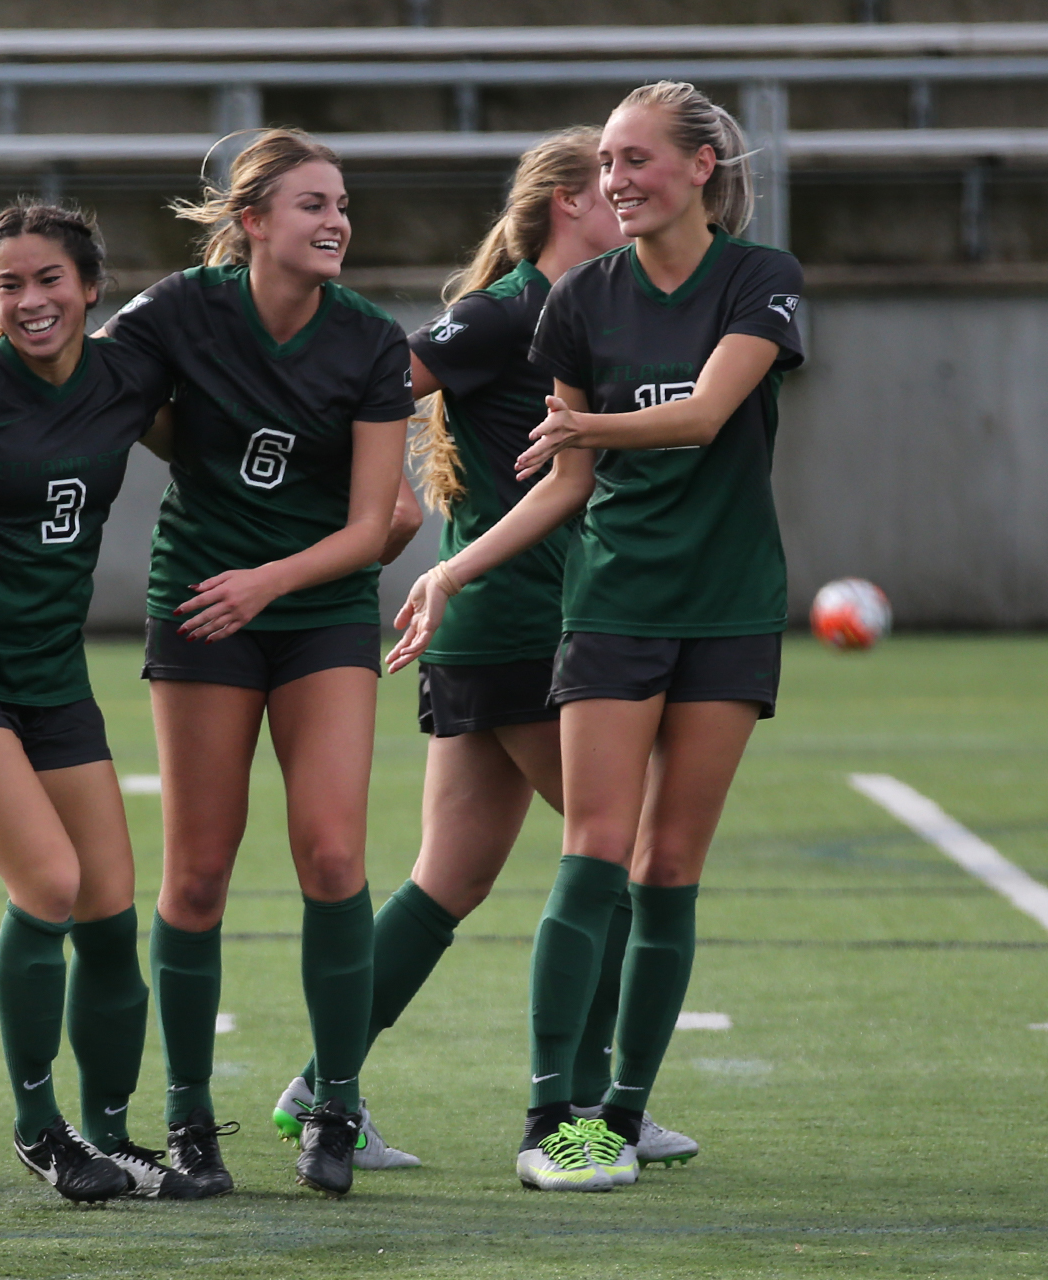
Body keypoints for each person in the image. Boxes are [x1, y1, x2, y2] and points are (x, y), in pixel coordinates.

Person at [386, 80, 804, 1192]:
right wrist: (449, 570)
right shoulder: (578, 303)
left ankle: (619, 1112)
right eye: (607, 163)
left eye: (636, 159)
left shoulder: (760, 280)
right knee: (597, 848)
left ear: (701, 167)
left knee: (672, 866)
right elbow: (565, 480)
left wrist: (590, 422)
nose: (616, 178)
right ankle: (551, 1121)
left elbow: (707, 414)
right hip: (611, 605)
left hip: (728, 608)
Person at [269, 125, 695, 1171]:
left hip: (490, 622)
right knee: (622, 859)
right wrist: (375, 501)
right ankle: (593, 1108)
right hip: (516, 622)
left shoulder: (573, 309)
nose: (618, 191)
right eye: (602, 178)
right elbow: (376, 384)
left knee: (447, 878)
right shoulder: (514, 309)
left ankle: (321, 1088)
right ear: (564, 201)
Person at [96, 129, 415, 1198]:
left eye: (343, 205)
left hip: (315, 606)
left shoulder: (369, 339)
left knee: (333, 855)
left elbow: (378, 524)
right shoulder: (180, 311)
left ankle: (335, 1098)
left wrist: (268, 579)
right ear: (252, 224)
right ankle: (189, 1118)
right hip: (199, 604)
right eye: (313, 204)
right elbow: (84, 389)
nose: (336, 222)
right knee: (195, 869)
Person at [0, 203, 196, 1203]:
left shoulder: (126, 377)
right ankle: (41, 1128)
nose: (29, 300)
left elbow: (215, 427)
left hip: (50, 670)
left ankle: (111, 1133)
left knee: (113, 912)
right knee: (51, 881)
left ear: (90, 288)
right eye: (8, 284)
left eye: (48, 280)